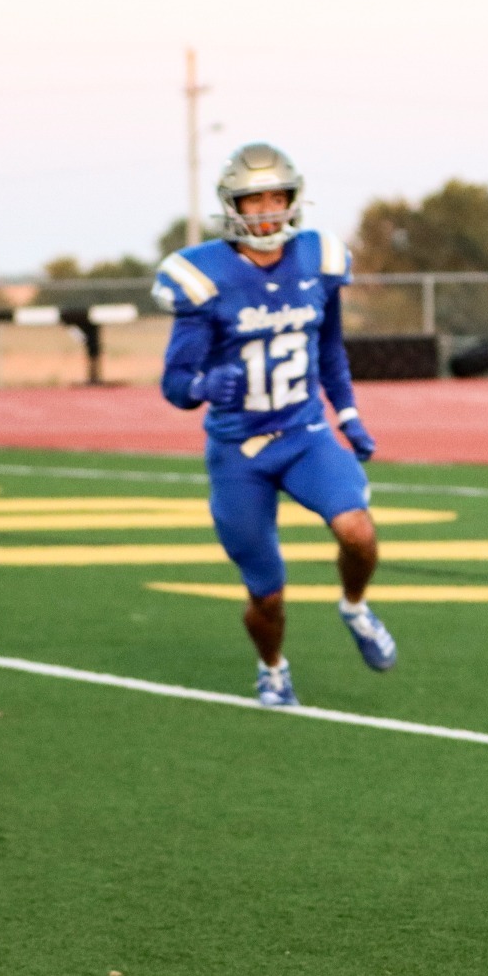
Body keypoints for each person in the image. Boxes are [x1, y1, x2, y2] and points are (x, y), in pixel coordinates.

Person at [154, 141, 397, 707]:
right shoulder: (204, 275)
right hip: (239, 451)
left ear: (293, 199)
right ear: (232, 205)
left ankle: (355, 606)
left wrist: (348, 415)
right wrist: (204, 387)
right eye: (254, 199)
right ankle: (272, 667)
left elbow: (329, 350)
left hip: (304, 434)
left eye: (276, 197)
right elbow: (175, 383)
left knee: (358, 531)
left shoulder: (317, 258)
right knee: (266, 594)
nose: (267, 210)